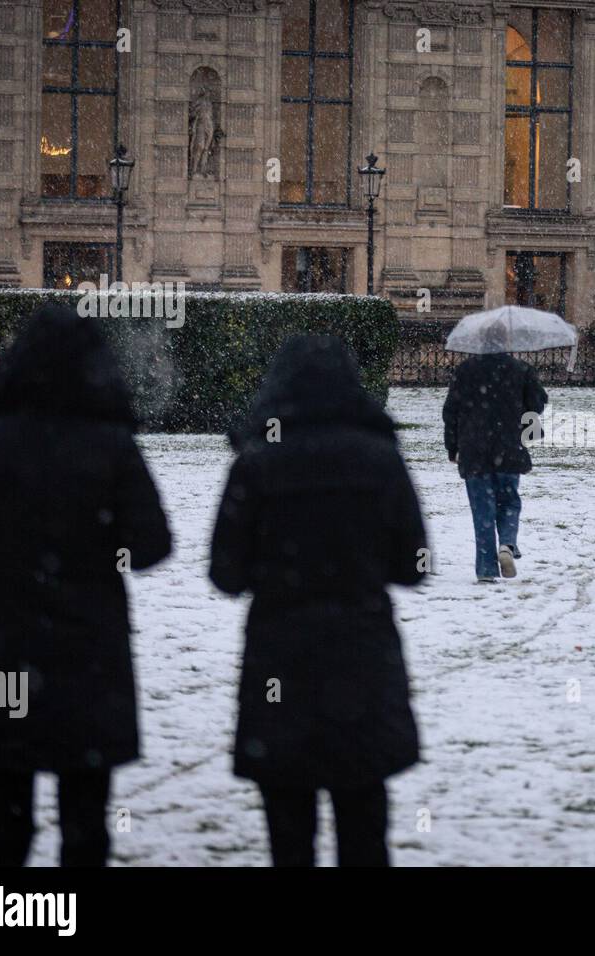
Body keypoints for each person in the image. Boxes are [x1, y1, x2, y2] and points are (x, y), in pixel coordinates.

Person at [0, 304, 172, 866]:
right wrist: (104, 555)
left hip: (10, 640)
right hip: (93, 644)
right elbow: (154, 544)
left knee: (6, 801)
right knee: (85, 809)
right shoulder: (111, 444)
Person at [210, 335, 426, 867]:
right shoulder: (380, 460)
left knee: (289, 837)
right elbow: (412, 566)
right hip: (362, 656)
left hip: (280, 658)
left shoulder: (257, 463)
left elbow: (225, 574)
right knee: (363, 829)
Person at [442, 322, 548, 582]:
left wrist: (452, 446)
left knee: (482, 510)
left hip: (474, 449)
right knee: (509, 501)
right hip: (509, 447)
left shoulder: (465, 371)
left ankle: (486, 570)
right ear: (507, 342)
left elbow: (450, 412)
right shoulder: (521, 370)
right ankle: (507, 545)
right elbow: (536, 403)